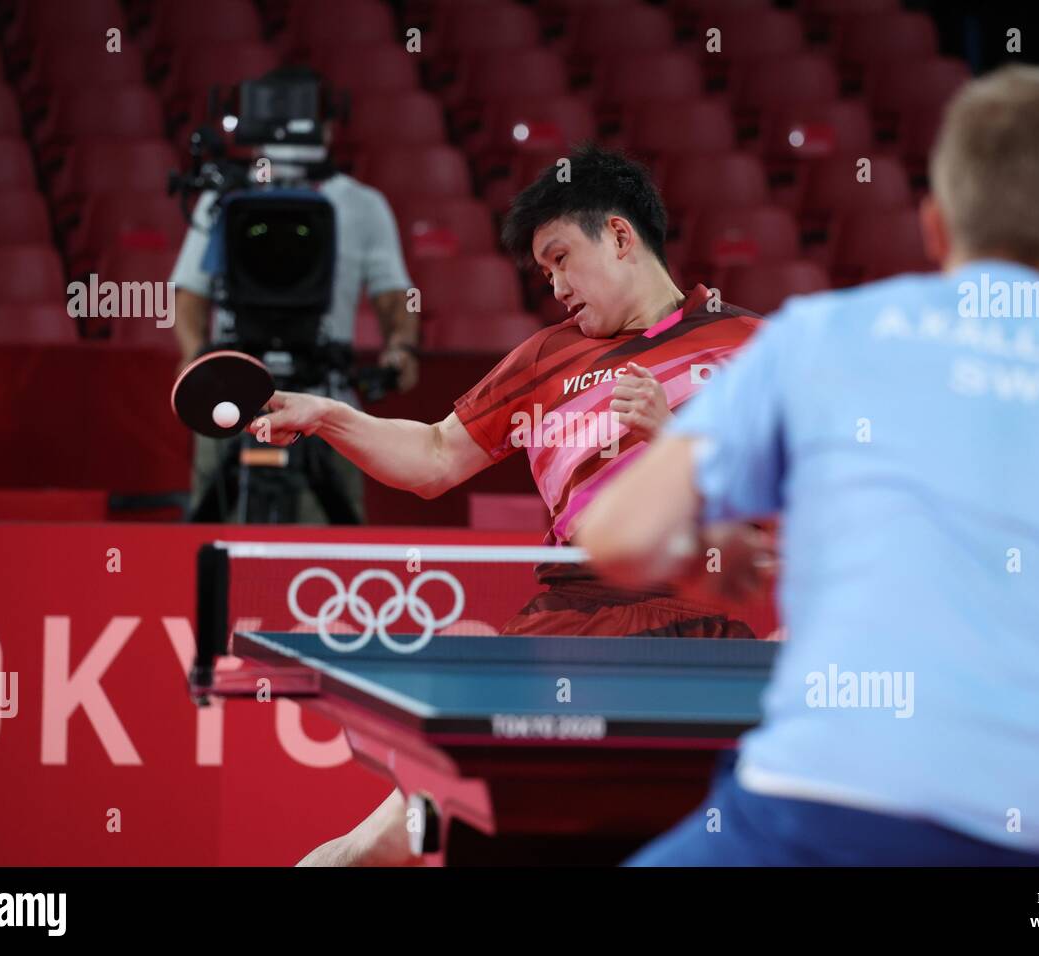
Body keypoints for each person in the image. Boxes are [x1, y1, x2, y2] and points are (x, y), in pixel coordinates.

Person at [578, 65, 1039, 865]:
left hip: (822, 821)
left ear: (935, 226)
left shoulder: (817, 338)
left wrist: (707, 547)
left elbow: (619, 539)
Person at [258, 144, 765, 864]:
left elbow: (806, 503)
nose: (554, 284)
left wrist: (678, 439)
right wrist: (328, 416)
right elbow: (434, 457)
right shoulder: (543, 360)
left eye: (561, 258)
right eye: (544, 269)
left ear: (620, 237)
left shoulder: (753, 347)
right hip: (569, 635)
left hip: (702, 647)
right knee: (371, 850)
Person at [170, 68, 419, 525]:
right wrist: (193, 358)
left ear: (330, 125)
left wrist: (399, 347)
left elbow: (393, 294)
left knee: (336, 548)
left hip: (328, 396)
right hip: (233, 390)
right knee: (209, 541)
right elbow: (189, 291)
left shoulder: (363, 205)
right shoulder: (223, 199)